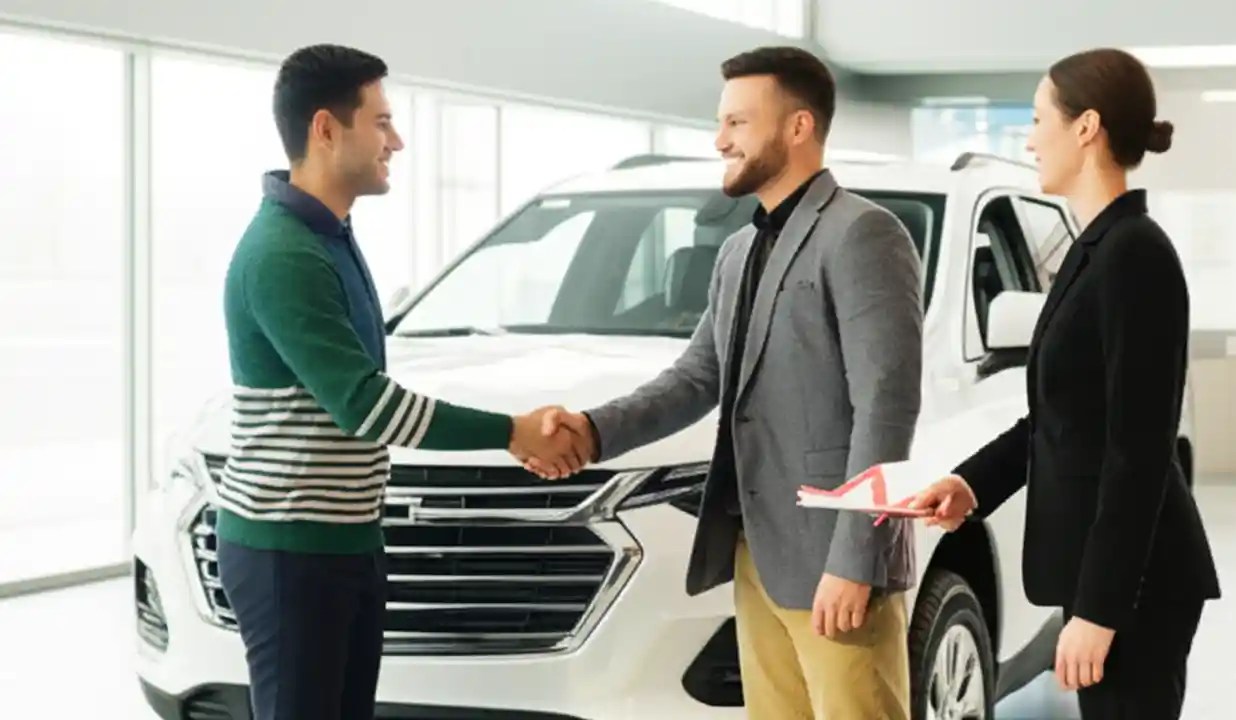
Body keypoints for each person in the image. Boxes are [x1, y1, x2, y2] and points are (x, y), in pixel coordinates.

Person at [531, 46, 923, 719]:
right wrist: (593, 431)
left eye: (739, 123)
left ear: (797, 127)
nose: (720, 140)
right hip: (758, 547)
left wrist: (858, 558)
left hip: (835, 556)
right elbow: (699, 376)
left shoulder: (863, 233)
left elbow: (886, 406)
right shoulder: (740, 249)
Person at [216, 44, 589, 720]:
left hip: (347, 538)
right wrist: (511, 431)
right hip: (288, 549)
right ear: (327, 128)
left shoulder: (330, 236)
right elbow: (363, 404)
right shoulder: (283, 254)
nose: (399, 140)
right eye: (381, 122)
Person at [908, 47, 1221, 720]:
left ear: (1087, 127)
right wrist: (970, 485)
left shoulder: (1135, 255)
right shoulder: (1097, 249)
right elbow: (1060, 419)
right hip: (1108, 581)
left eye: (1037, 116)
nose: (1028, 137)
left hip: (1137, 590)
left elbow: (1136, 452)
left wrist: (1099, 612)